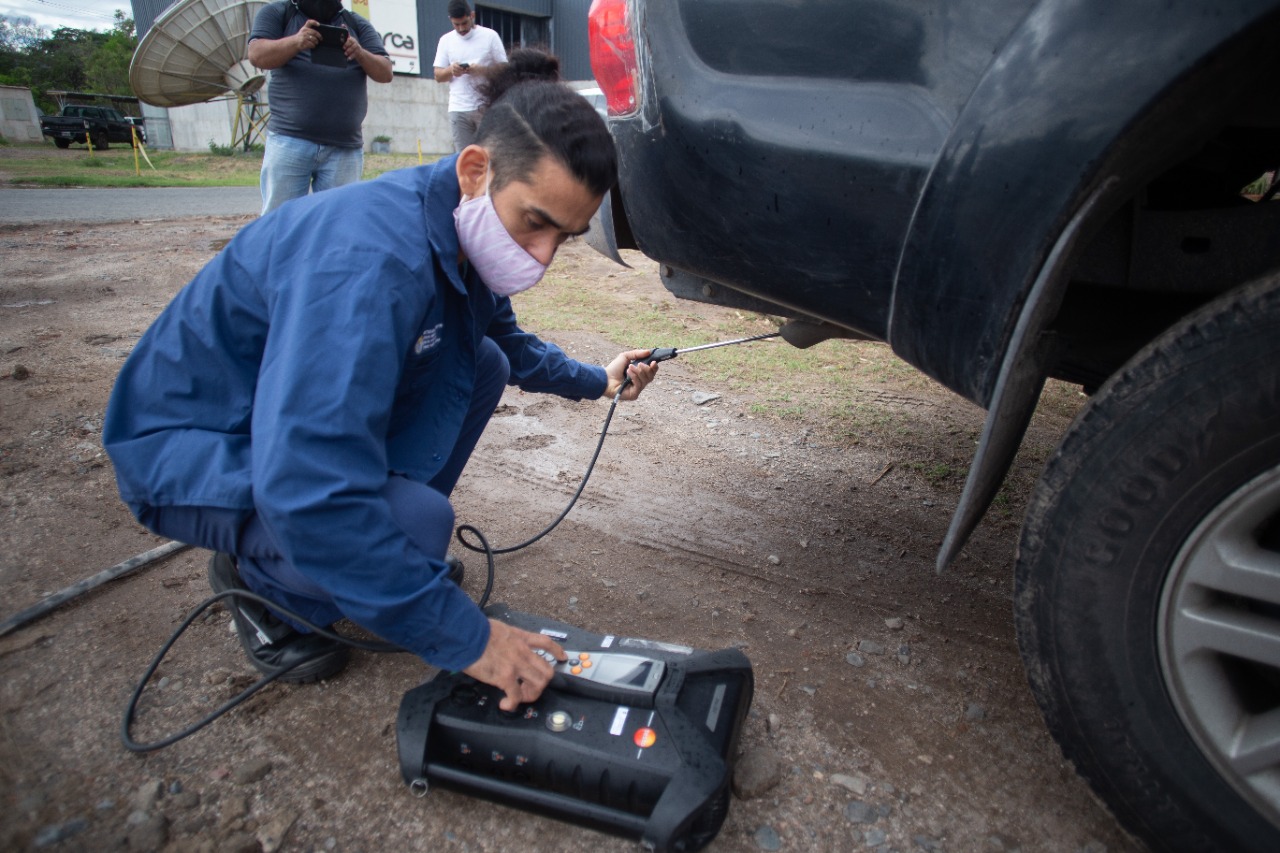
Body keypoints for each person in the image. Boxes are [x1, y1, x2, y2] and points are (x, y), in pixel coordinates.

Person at [102, 56, 658, 713]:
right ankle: (264, 589)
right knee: (420, 521)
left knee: (482, 362)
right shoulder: (368, 265)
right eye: (534, 221)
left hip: (268, 424)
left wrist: (598, 379)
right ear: (476, 170)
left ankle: (367, 557)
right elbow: (307, 484)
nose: (540, 257)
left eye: (561, 239)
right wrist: (469, 638)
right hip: (193, 449)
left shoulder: (459, 225)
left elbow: (507, 342)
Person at [248, 0, 394, 214]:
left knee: (337, 224)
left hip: (344, 148)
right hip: (289, 141)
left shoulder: (356, 24)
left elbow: (385, 72)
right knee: (278, 221)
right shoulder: (279, 13)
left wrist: (360, 52)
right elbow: (256, 55)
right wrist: (296, 41)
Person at [433, 0, 507, 152]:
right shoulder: (445, 41)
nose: (461, 28)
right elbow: (438, 75)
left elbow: (505, 70)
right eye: (456, 24)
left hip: (485, 106)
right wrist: (451, 70)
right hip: (458, 108)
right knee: (464, 159)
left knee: (491, 155)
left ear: (472, 15)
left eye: (464, 23)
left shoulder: (490, 36)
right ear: (450, 20)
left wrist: (482, 70)